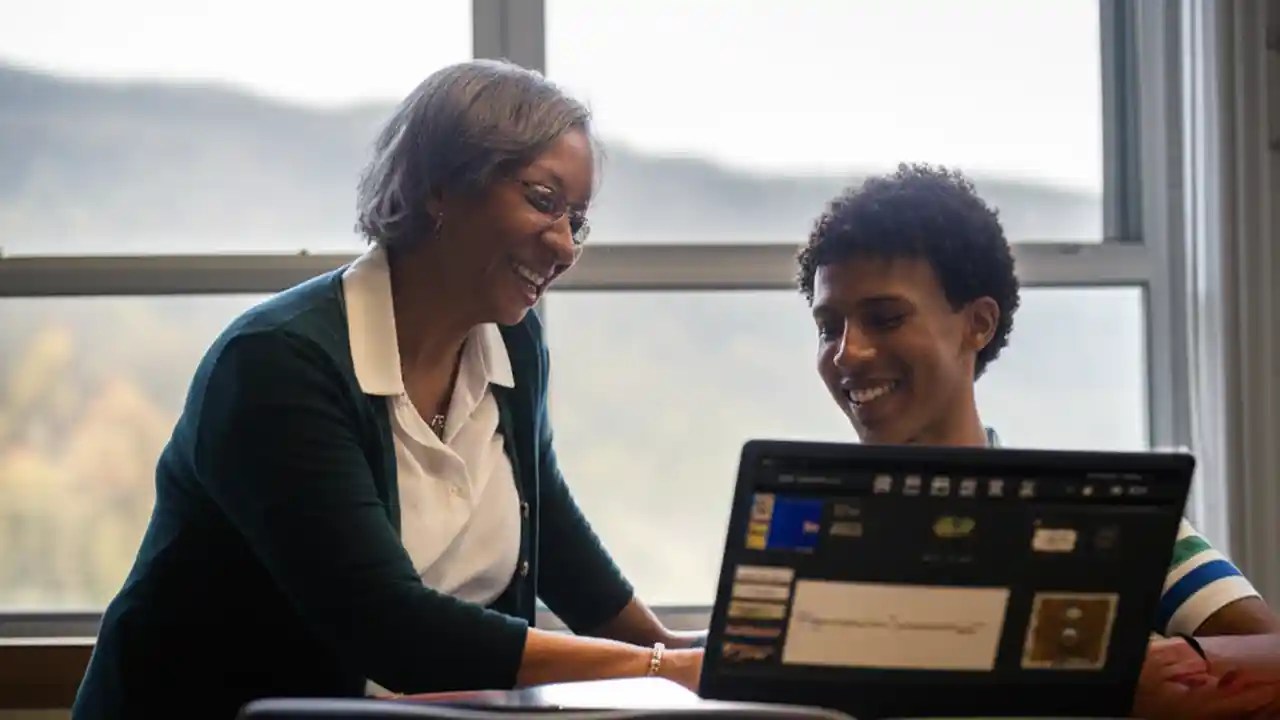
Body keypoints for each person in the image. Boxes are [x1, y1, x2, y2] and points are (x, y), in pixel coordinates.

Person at [72, 60, 701, 720]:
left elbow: (553, 539)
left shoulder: (514, 346)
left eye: (578, 220)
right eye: (544, 201)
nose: (568, 247)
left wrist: (686, 653)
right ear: (440, 187)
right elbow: (389, 628)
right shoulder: (274, 364)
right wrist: (660, 669)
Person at [795, 163, 1280, 716]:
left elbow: (1268, 653)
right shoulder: (815, 538)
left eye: (884, 318)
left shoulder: (1107, 517)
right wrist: (1098, 687)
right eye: (828, 328)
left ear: (978, 323)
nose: (847, 353)